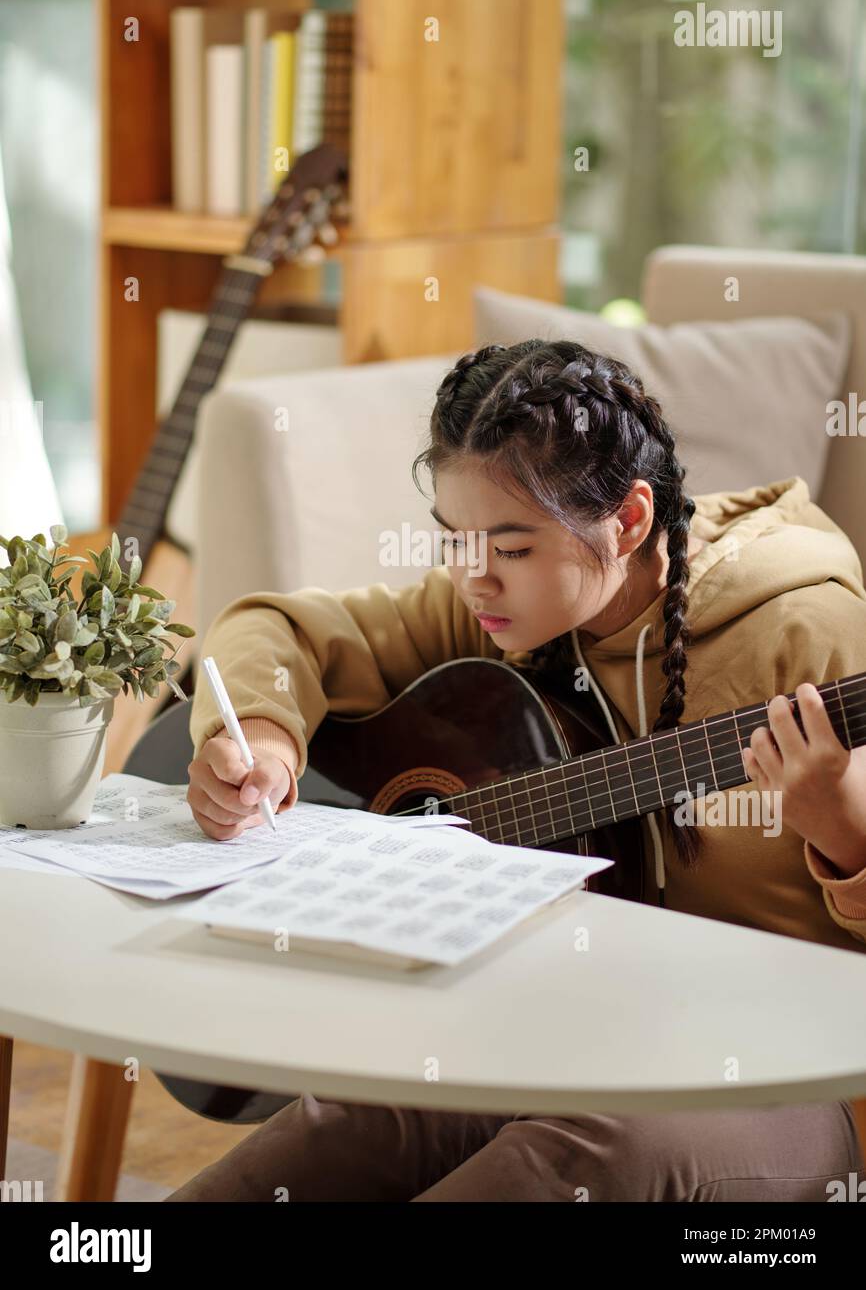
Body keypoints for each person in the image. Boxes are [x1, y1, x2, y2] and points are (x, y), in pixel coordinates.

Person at [167, 340, 866, 1202]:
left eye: (511, 547)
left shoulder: (811, 633)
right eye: (455, 540)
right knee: (336, 1133)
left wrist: (844, 832)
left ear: (630, 521)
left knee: (560, 1163)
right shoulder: (506, 612)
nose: (471, 579)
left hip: (786, 1071)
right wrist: (265, 737)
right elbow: (280, 628)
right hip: (569, 1021)